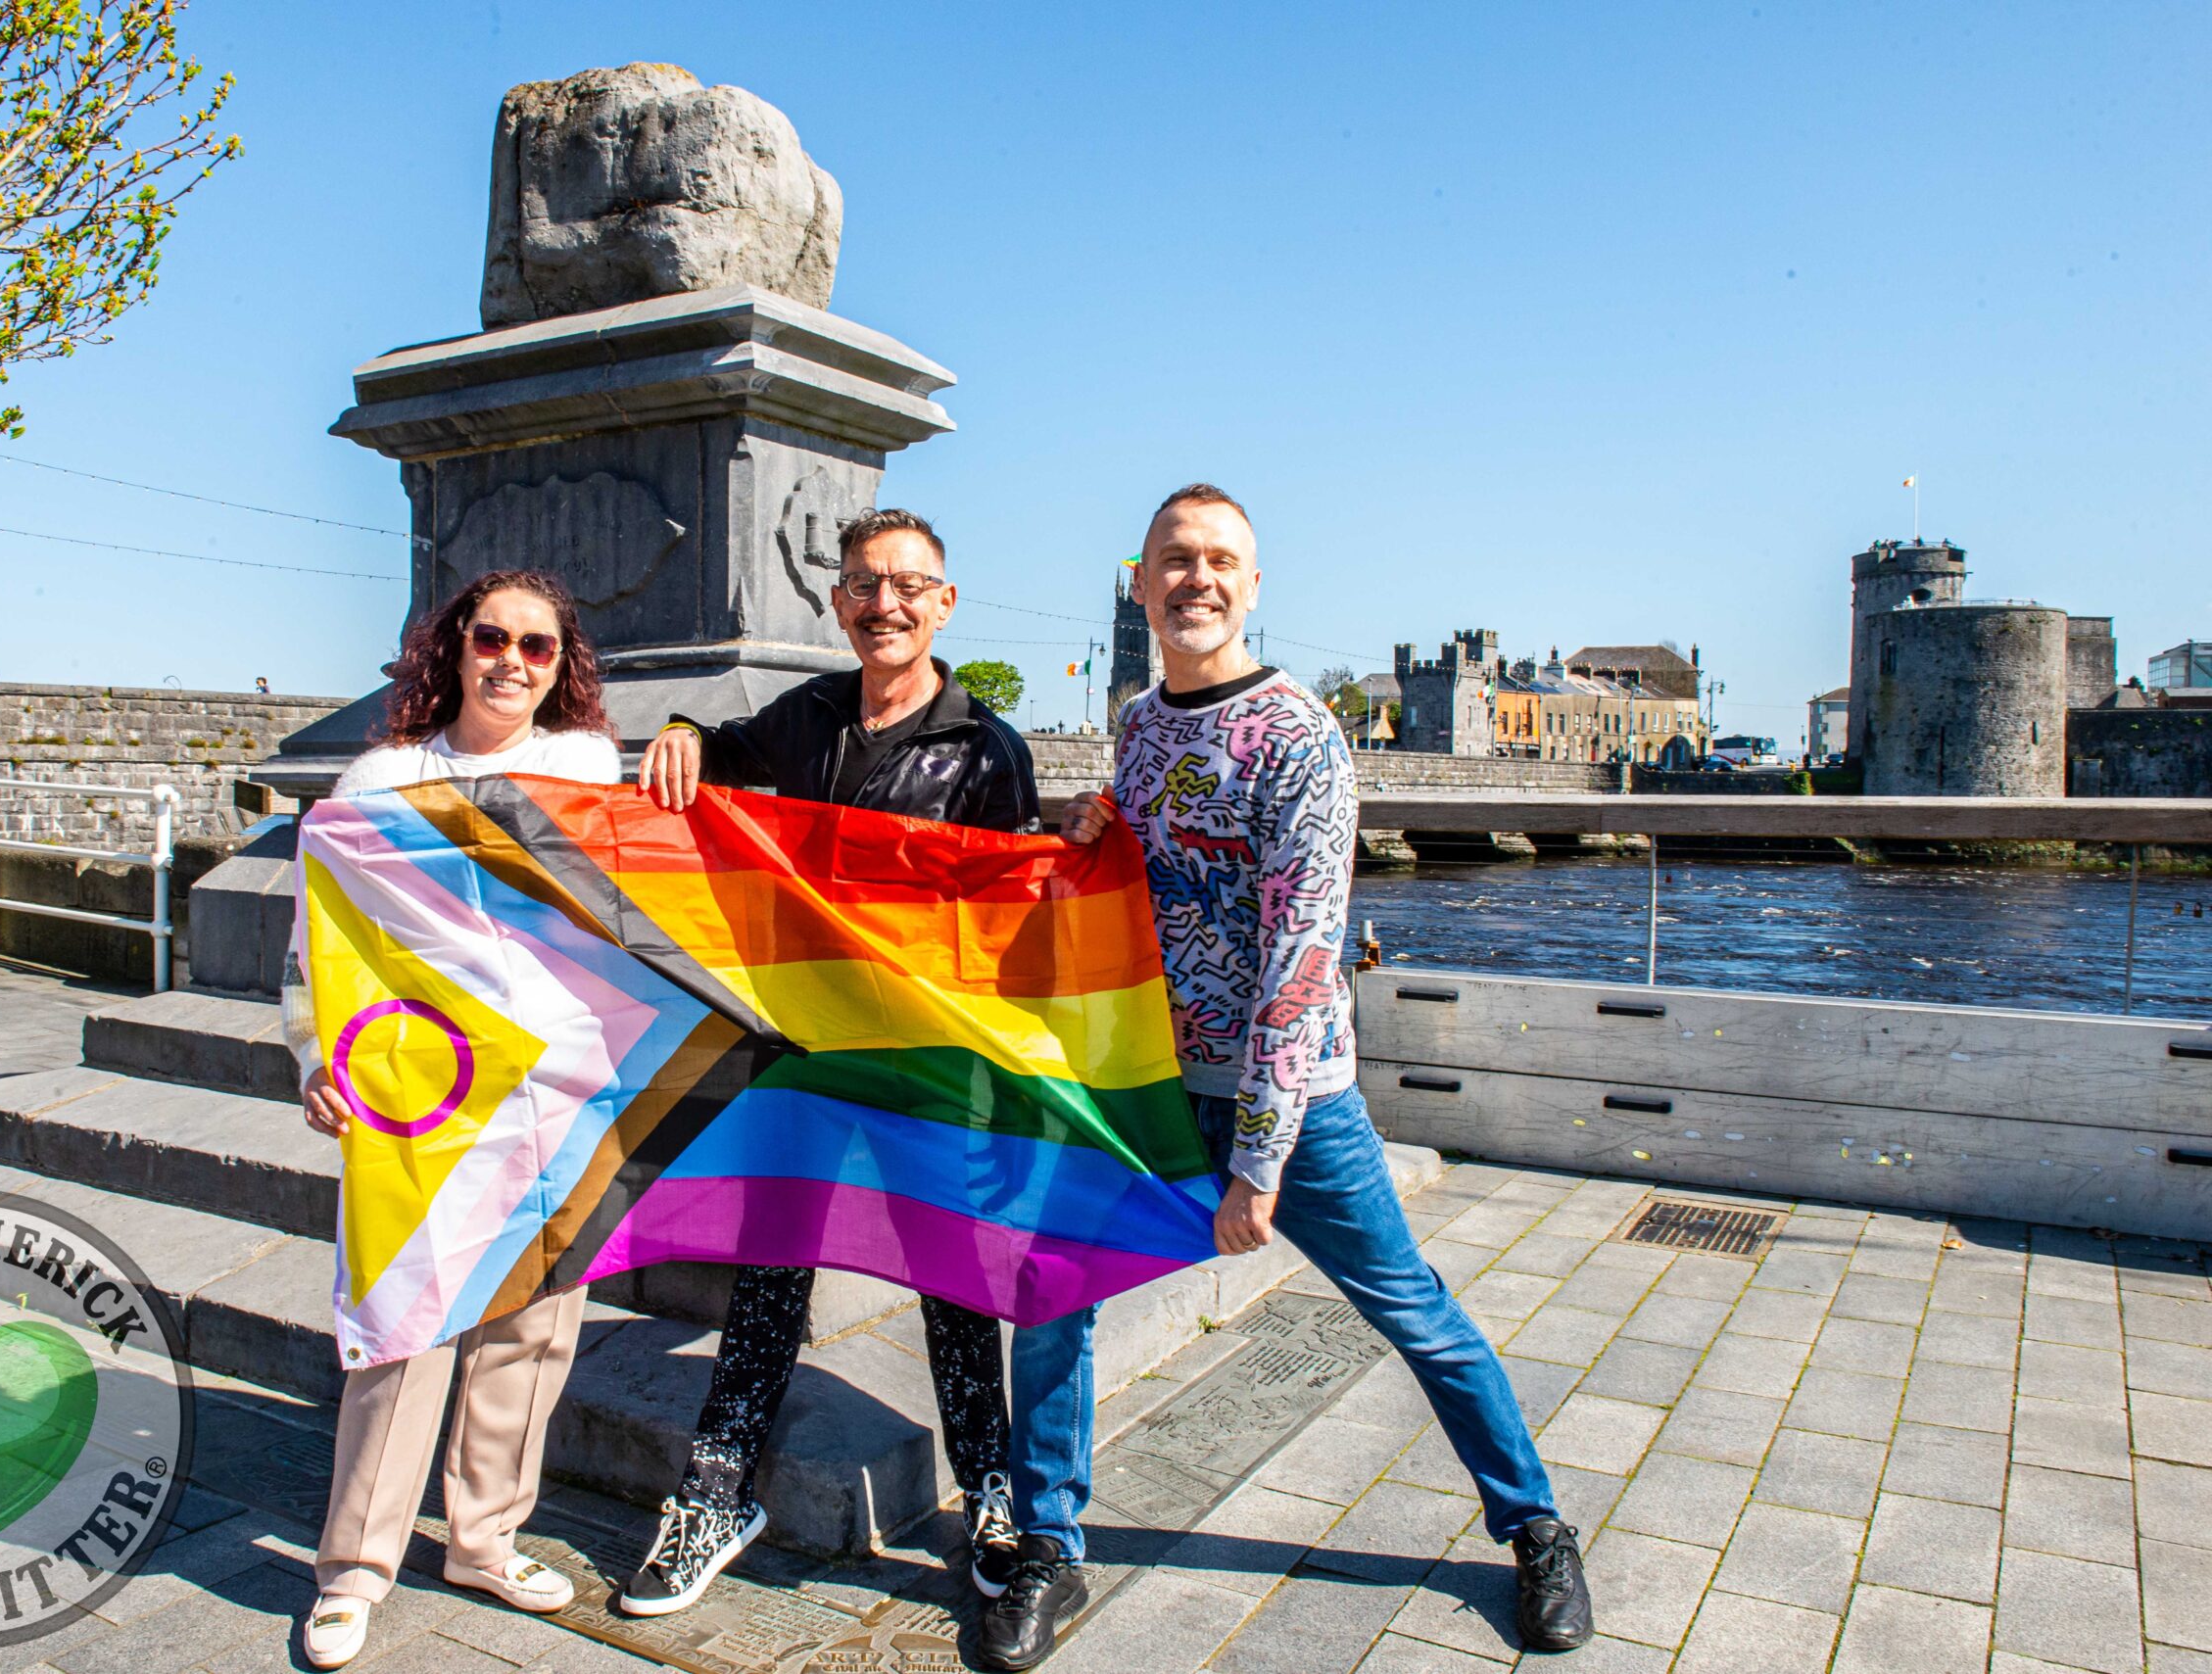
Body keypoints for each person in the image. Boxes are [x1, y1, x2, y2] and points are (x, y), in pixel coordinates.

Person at [987, 486, 1596, 1669]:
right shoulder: (1138, 719)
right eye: (1174, 559)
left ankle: (1534, 1526)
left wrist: (1259, 1161)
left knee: (1411, 1309)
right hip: (1151, 1084)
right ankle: (1050, 1544)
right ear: (1140, 582)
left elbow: (1302, 958)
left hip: (1294, 1099)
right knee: (1051, 1291)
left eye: (1220, 561)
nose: (1196, 579)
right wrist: (1089, 820)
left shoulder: (1303, 736)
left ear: (1254, 586)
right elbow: (1154, 841)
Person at [621, 506, 1039, 1616]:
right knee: (769, 1272)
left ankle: (990, 1492)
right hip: (803, 1051)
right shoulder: (802, 718)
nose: (883, 602)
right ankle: (716, 1490)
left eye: (907, 583)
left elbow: (1007, 934)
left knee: (954, 1285)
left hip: (926, 1062)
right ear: (836, 600)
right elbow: (718, 757)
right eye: (862, 583)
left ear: (944, 603)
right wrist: (678, 724)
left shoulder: (987, 750)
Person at [279, 568, 624, 1671]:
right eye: (491, 637)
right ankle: (355, 1568)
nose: (511, 662)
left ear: (562, 665)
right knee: (406, 1322)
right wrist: (312, 1053)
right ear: (453, 647)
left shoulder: (587, 766)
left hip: (566, 1081)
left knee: (533, 1321)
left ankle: (484, 1537)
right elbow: (320, 938)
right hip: (426, 1087)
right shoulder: (382, 775)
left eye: (538, 645)